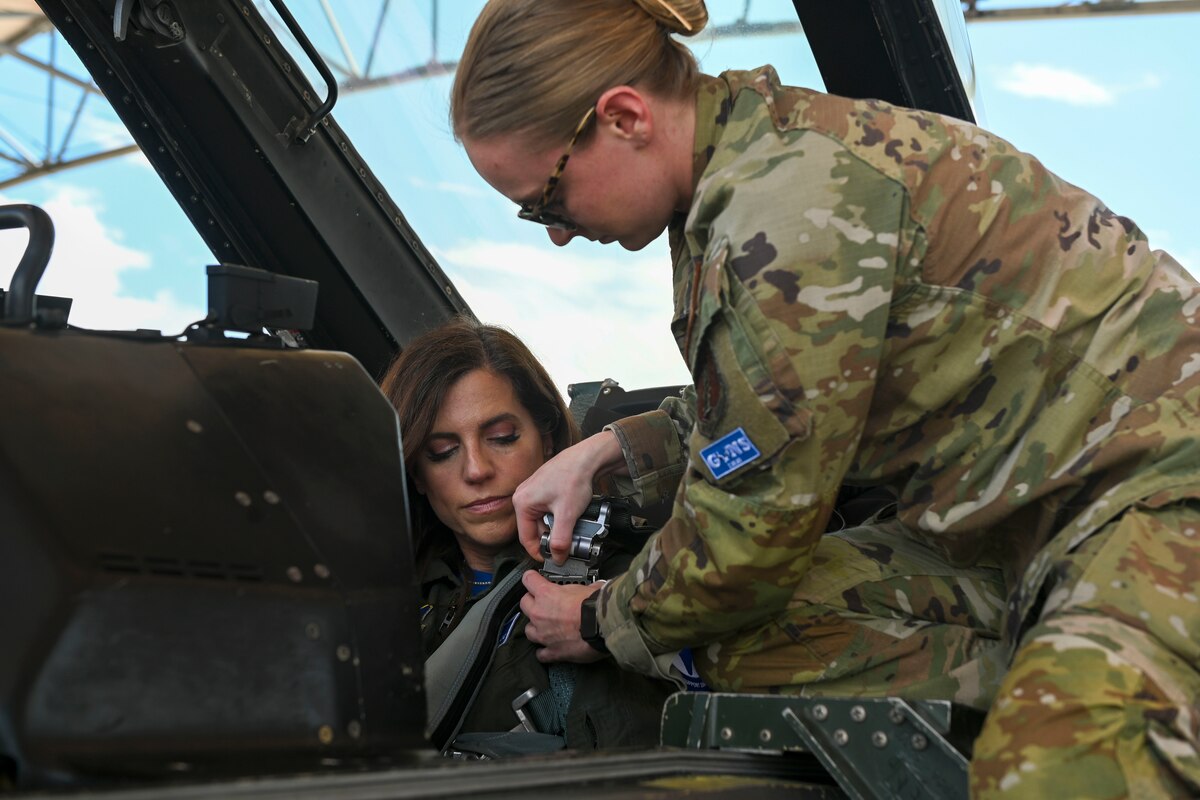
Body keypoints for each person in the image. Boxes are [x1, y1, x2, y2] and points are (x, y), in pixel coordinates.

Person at [448, 0, 1200, 796]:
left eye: (546, 200)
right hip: (1008, 529)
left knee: (1061, 771)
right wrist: (608, 451)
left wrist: (596, 620)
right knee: (725, 640)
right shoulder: (742, 170)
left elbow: (751, 534)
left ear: (624, 117)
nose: (555, 232)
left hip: (1149, 495)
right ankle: (1068, 672)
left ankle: (1088, 701)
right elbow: (771, 404)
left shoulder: (786, 214)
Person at [378, 317, 673, 749]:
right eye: (442, 451)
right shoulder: (375, 599)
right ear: (416, 473)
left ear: (548, 440)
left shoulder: (632, 587)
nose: (476, 470)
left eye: (502, 437)